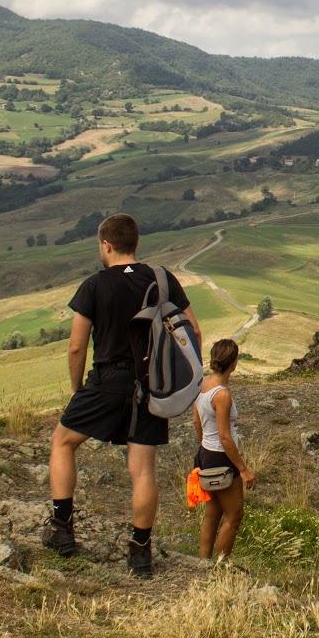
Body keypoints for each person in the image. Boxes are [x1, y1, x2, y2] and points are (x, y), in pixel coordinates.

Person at [42, 212, 199, 578]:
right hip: (151, 387)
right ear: (136, 244)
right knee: (142, 471)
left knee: (63, 443)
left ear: (106, 245)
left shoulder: (94, 286)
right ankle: (140, 552)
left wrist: (78, 389)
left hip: (108, 381)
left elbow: (77, 347)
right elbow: (191, 330)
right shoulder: (162, 280)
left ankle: (62, 529)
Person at [193, 339, 255, 561]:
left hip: (206, 454)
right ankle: (221, 566)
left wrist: (204, 447)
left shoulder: (201, 384)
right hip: (222, 458)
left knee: (212, 513)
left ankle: (203, 563)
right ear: (234, 363)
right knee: (234, 515)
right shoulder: (222, 395)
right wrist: (244, 470)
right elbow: (225, 437)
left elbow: (196, 422)